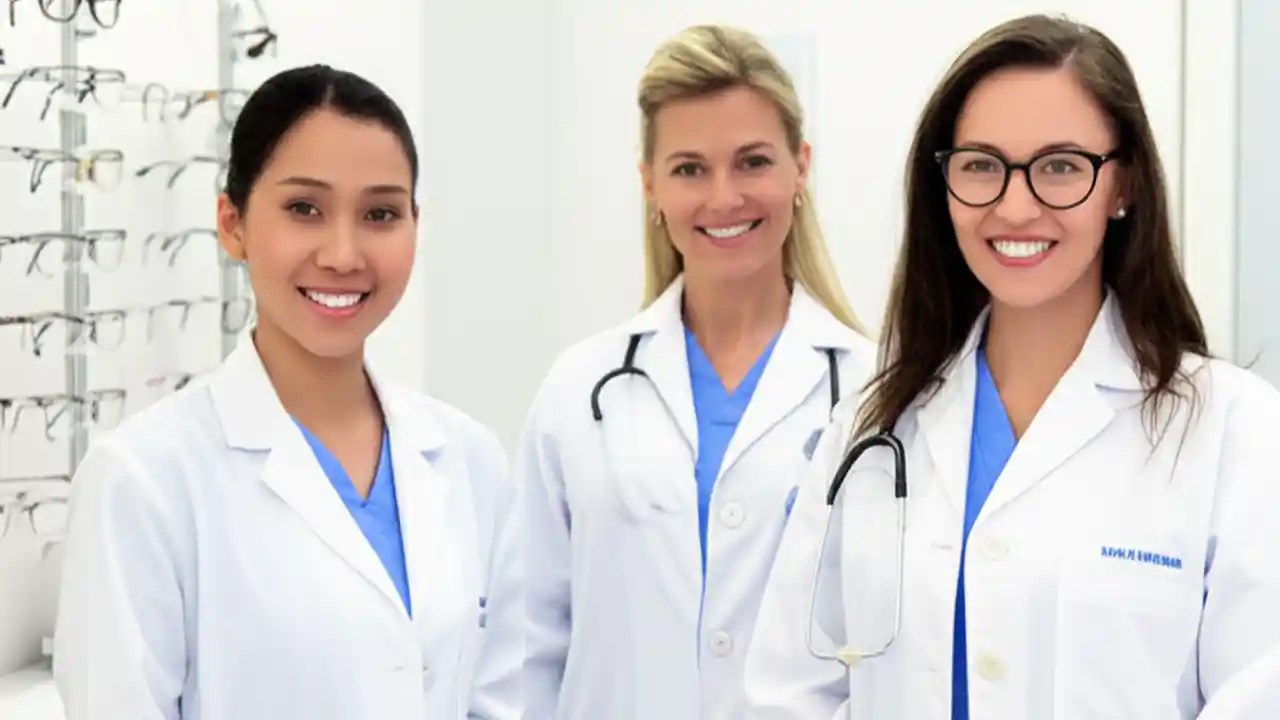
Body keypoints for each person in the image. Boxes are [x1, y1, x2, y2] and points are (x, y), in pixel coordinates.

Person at [744, 13, 1280, 719]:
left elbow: (1259, 692)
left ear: (1123, 185)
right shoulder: (871, 429)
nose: (1016, 206)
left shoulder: (1232, 430)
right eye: (981, 165)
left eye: (1060, 166)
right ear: (943, 184)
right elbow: (787, 693)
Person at [51, 65, 523, 719]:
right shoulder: (143, 480)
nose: (343, 254)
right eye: (305, 209)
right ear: (232, 223)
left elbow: (501, 700)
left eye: (380, 214)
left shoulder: (470, 459)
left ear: (415, 225)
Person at [513, 24, 877, 720]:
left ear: (800, 167)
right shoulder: (578, 391)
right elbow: (527, 650)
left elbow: (889, 647)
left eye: (753, 162)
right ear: (649, 183)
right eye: (689, 169)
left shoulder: (874, 393)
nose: (723, 197)